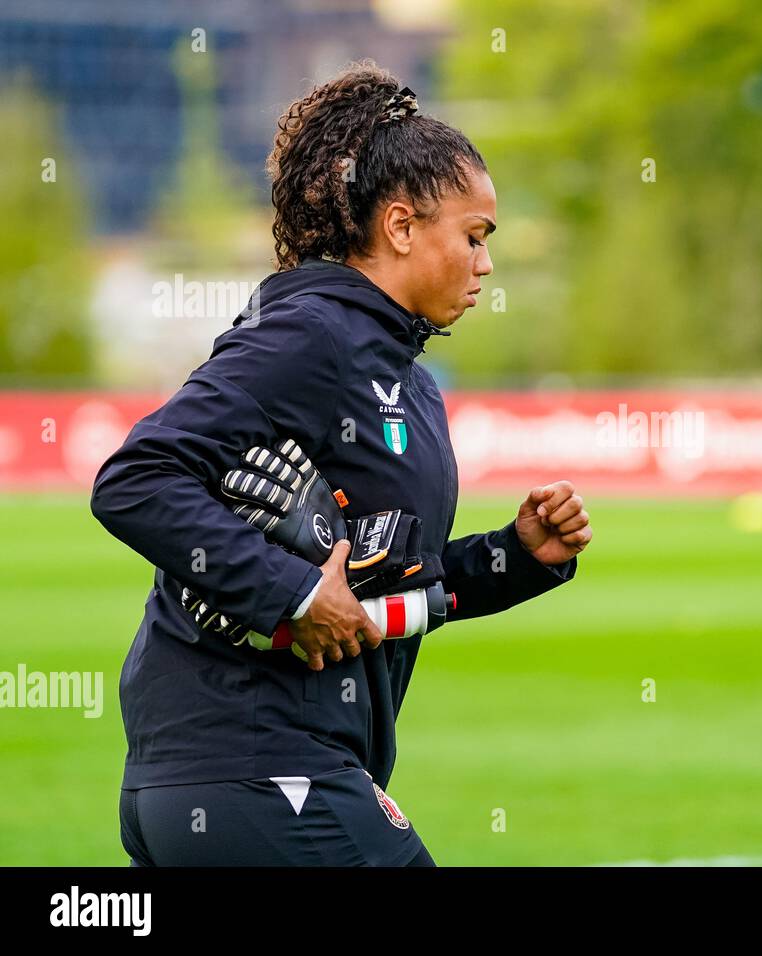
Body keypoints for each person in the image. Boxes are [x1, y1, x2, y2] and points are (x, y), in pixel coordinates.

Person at [90, 61, 592, 866]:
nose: (485, 264)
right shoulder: (312, 336)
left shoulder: (405, 378)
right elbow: (135, 479)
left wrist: (517, 557)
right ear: (400, 227)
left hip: (251, 778)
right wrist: (286, 593)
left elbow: (383, 589)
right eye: (473, 236)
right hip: (256, 768)